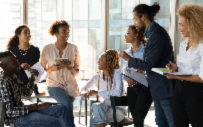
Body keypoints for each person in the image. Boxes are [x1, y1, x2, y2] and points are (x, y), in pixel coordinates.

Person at [118, 2, 175, 127]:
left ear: (143, 17)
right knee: (161, 122)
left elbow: (149, 64)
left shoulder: (157, 35)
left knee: (171, 123)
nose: (134, 23)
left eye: (135, 19)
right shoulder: (152, 34)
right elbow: (153, 65)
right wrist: (142, 71)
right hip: (158, 88)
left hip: (163, 87)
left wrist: (128, 58)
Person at [0, 51, 71, 127]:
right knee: (57, 121)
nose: (18, 64)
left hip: (25, 113)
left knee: (62, 109)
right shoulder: (2, 82)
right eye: (14, 63)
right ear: (4, 66)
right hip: (16, 119)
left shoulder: (13, 77)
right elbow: (9, 112)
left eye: (17, 61)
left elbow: (27, 93)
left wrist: (32, 79)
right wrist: (36, 107)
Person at [165, 3, 203, 127]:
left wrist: (176, 76)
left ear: (193, 25)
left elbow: (201, 77)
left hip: (196, 92)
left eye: (181, 24)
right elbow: (185, 69)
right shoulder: (184, 43)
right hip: (179, 89)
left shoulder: (202, 46)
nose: (179, 28)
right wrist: (175, 69)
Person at [40, 20, 81, 127]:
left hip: (71, 86)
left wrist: (70, 67)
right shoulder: (47, 49)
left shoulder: (74, 48)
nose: (66, 34)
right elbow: (41, 72)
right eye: (64, 31)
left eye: (68, 32)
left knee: (64, 110)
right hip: (54, 85)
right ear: (56, 33)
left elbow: (76, 72)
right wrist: (52, 68)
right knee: (67, 105)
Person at [81, 50, 126, 127]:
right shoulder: (97, 76)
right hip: (102, 109)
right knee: (97, 108)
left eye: (101, 60)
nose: (98, 62)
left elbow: (117, 93)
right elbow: (84, 88)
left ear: (108, 62)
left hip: (117, 111)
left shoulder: (117, 73)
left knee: (94, 118)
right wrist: (84, 92)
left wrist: (97, 93)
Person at [120, 25, 152, 127]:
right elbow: (122, 71)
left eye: (128, 33)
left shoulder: (146, 51)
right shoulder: (125, 53)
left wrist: (144, 70)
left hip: (145, 88)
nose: (125, 35)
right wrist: (126, 77)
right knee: (136, 120)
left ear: (136, 35)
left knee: (138, 119)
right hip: (131, 89)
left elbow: (151, 67)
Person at [6, 25, 45, 96]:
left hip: (28, 85)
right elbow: (9, 69)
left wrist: (37, 92)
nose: (28, 35)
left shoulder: (35, 50)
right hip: (14, 85)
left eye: (29, 33)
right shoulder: (12, 49)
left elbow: (34, 71)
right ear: (18, 35)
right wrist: (20, 66)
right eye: (25, 32)